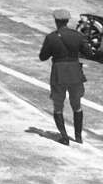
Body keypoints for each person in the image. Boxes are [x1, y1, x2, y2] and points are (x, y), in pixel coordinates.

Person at [39, 9, 95, 145]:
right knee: (77, 105)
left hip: (59, 73)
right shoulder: (77, 36)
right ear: (68, 20)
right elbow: (89, 53)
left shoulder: (51, 37)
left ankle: (64, 137)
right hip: (75, 72)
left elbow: (43, 57)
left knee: (58, 106)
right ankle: (78, 136)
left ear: (56, 21)